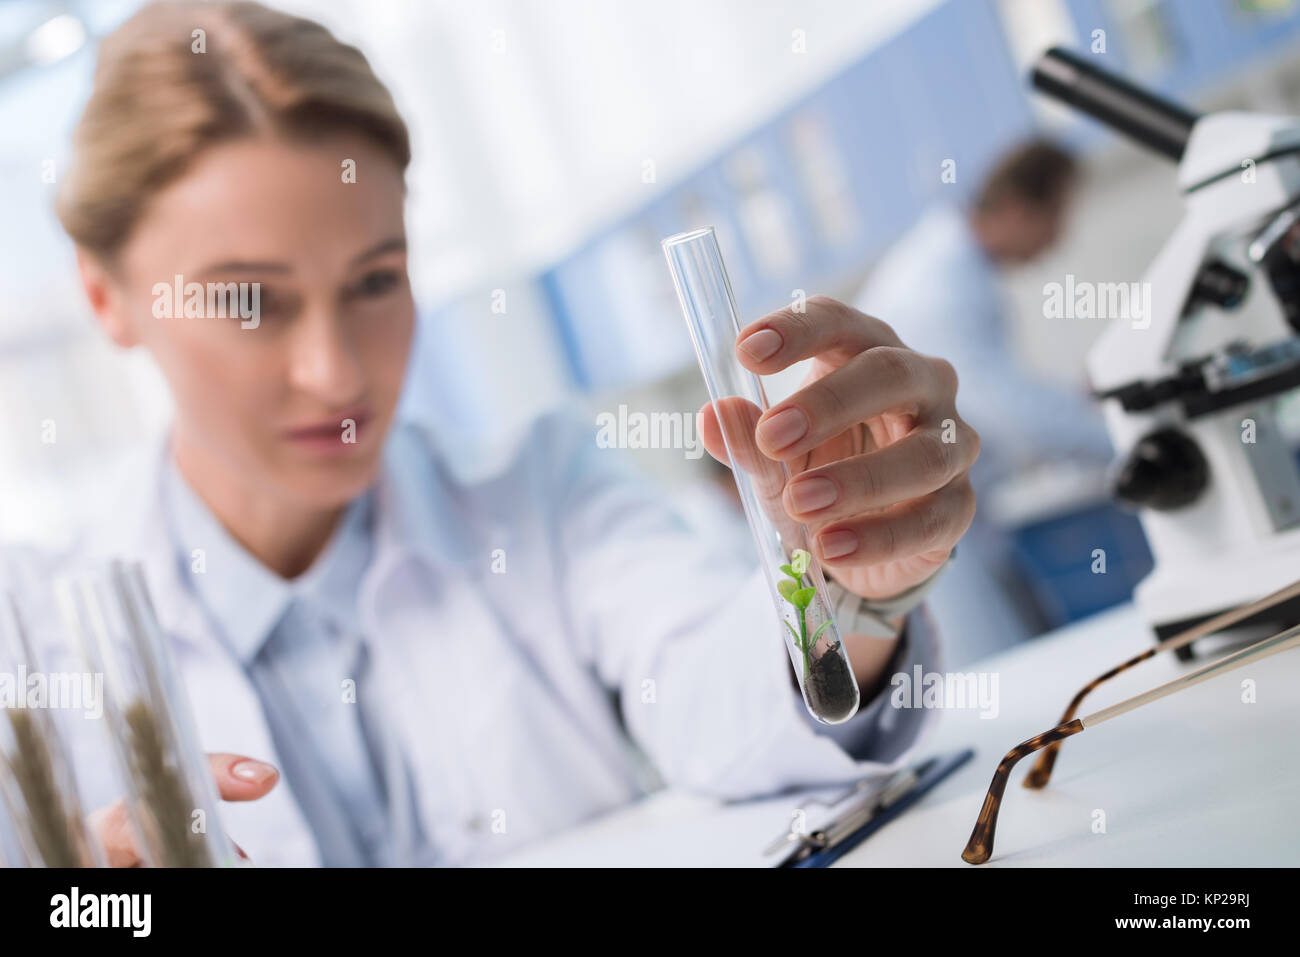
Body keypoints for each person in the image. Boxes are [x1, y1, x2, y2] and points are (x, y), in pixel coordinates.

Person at [42, 1, 978, 867]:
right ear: (103, 296)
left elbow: (718, 703)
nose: (335, 372)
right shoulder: (32, 644)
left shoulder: (541, 492)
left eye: (374, 281)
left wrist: (844, 597)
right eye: (249, 302)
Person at [854, 140, 1112, 664]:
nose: (1057, 240)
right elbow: (1013, 416)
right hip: (916, 530)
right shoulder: (943, 279)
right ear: (1018, 208)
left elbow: (994, 398)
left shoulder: (954, 265)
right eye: (1058, 216)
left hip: (938, 519)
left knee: (1022, 660)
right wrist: (1120, 430)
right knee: (1000, 678)